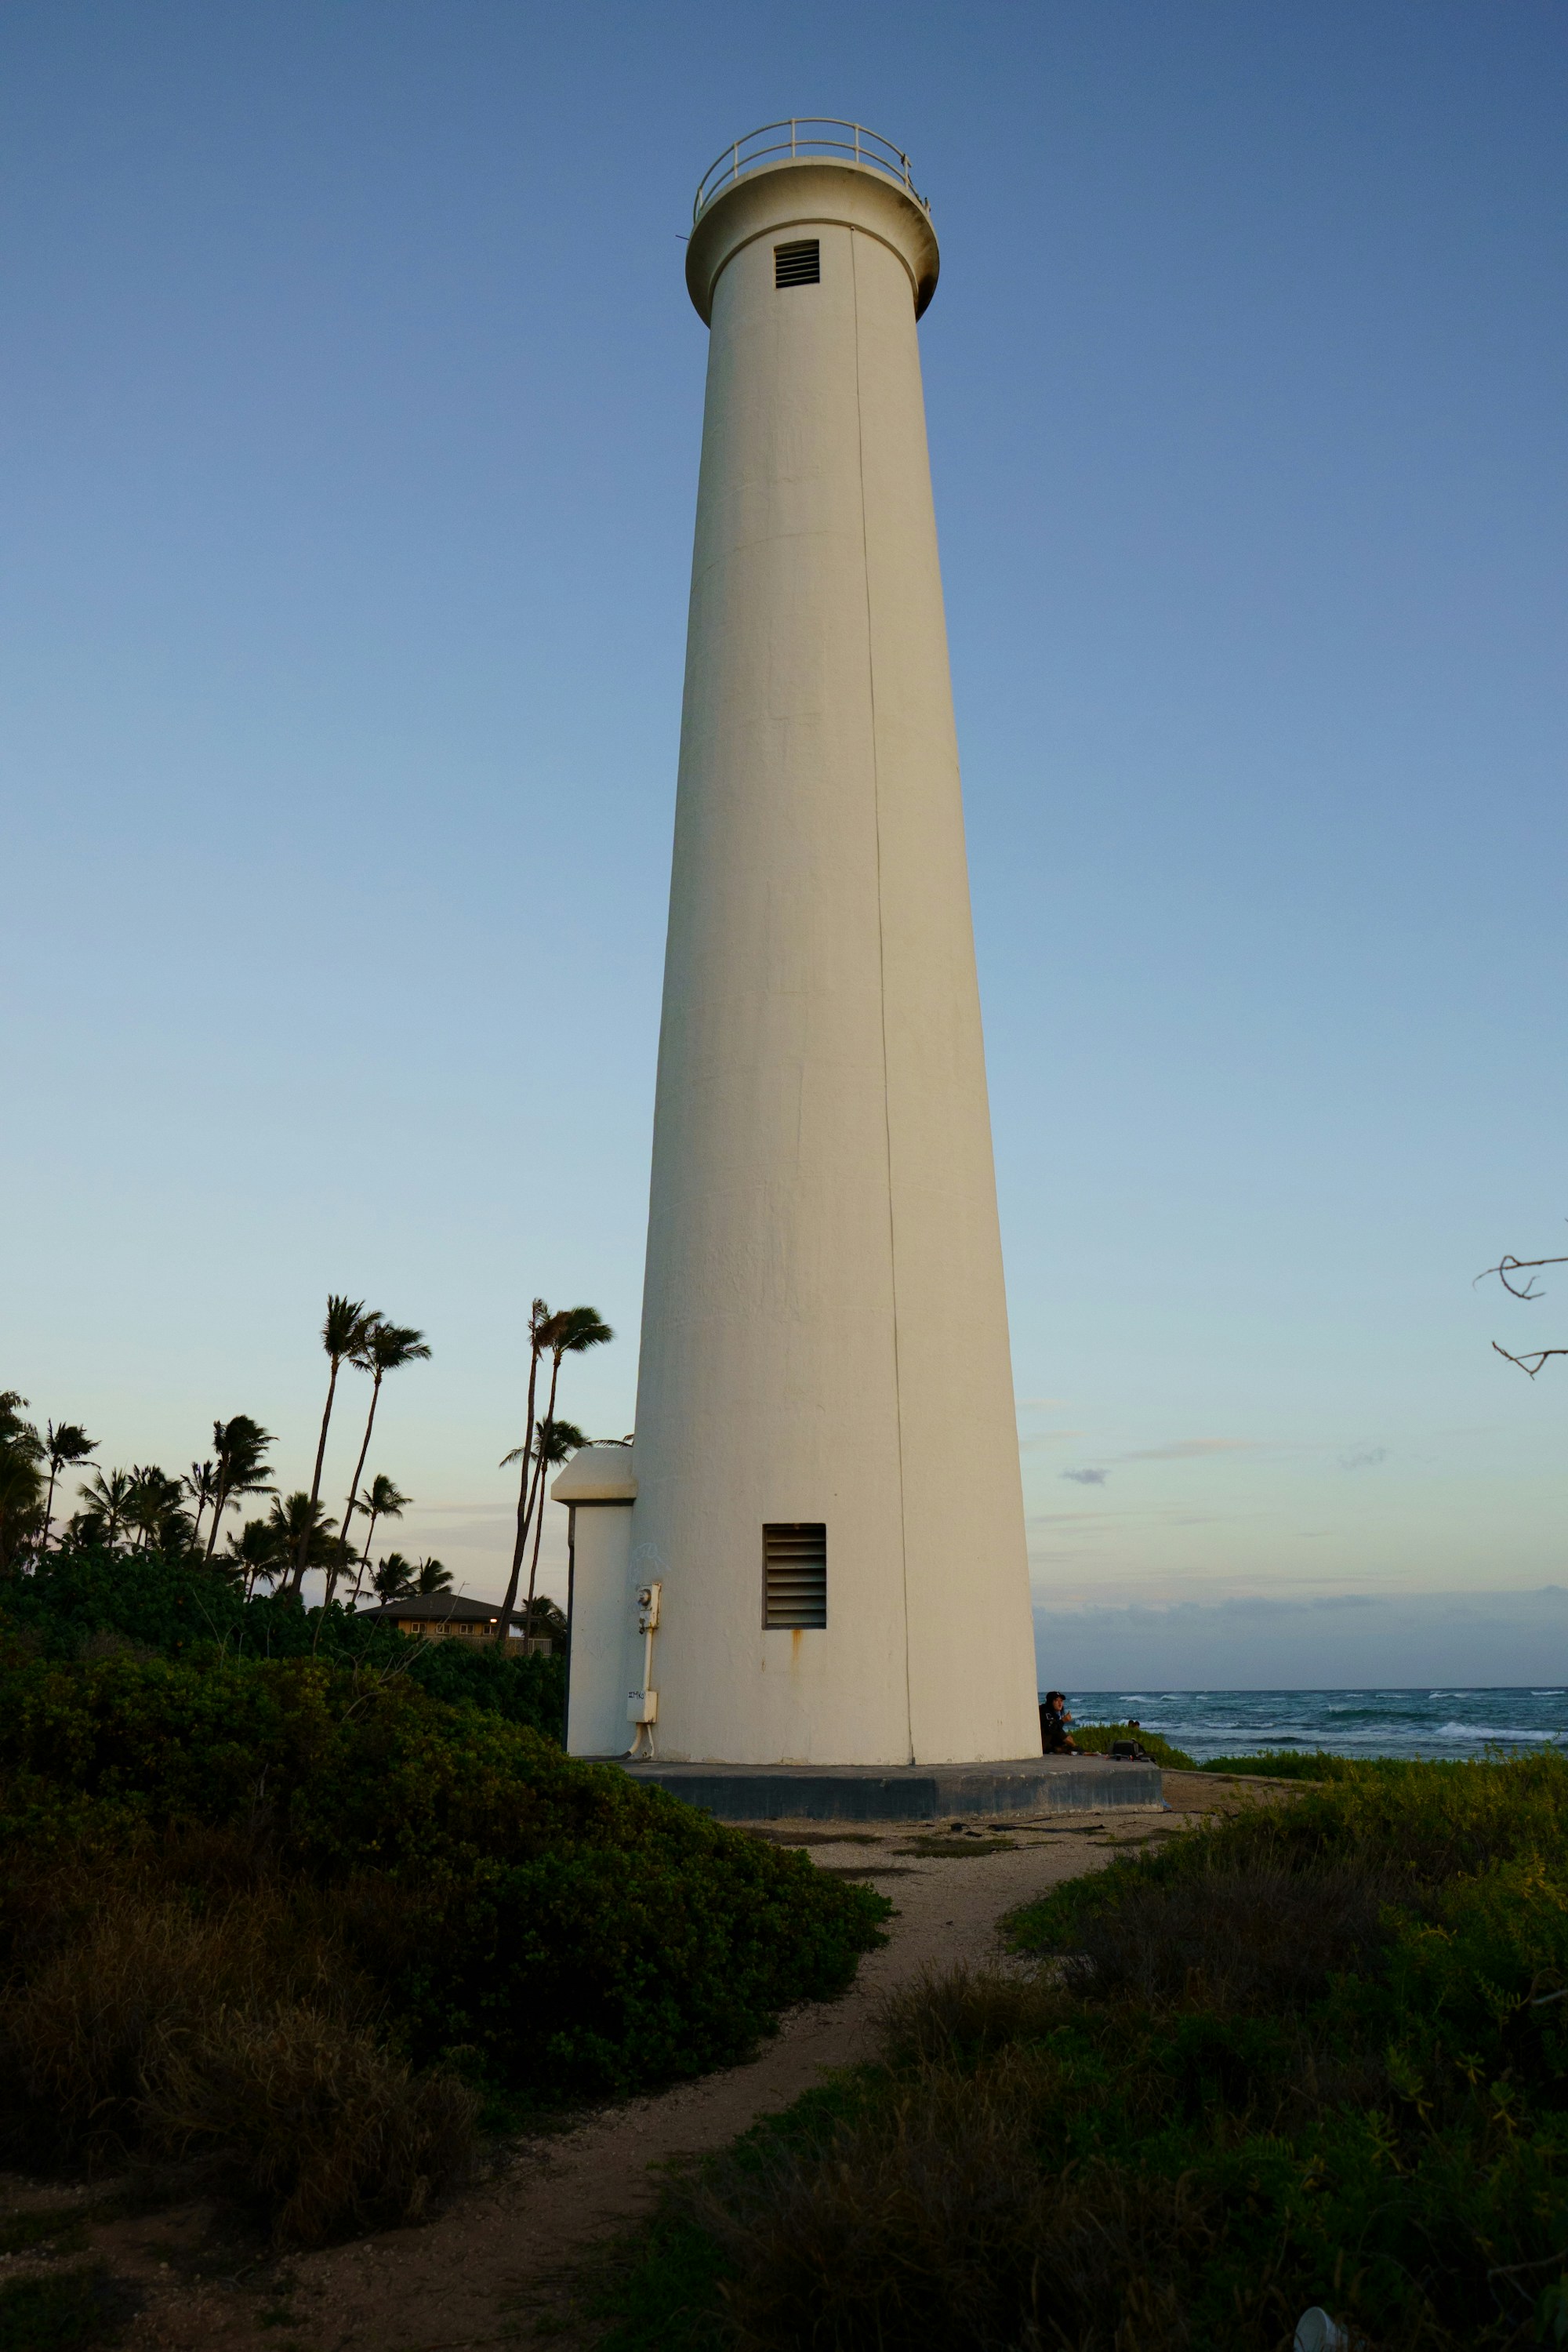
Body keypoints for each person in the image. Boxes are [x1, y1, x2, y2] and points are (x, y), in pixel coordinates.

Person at [1040, 1690, 1078, 1754]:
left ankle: (1071, 1748)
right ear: (1050, 1702)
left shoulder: (1052, 1714)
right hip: (1042, 1745)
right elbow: (1052, 1729)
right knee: (1057, 1728)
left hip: (1048, 1743)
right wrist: (1063, 1721)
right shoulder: (1045, 1710)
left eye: (1061, 1701)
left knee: (1062, 1735)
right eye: (1057, 1700)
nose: (1060, 1703)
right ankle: (1076, 1748)